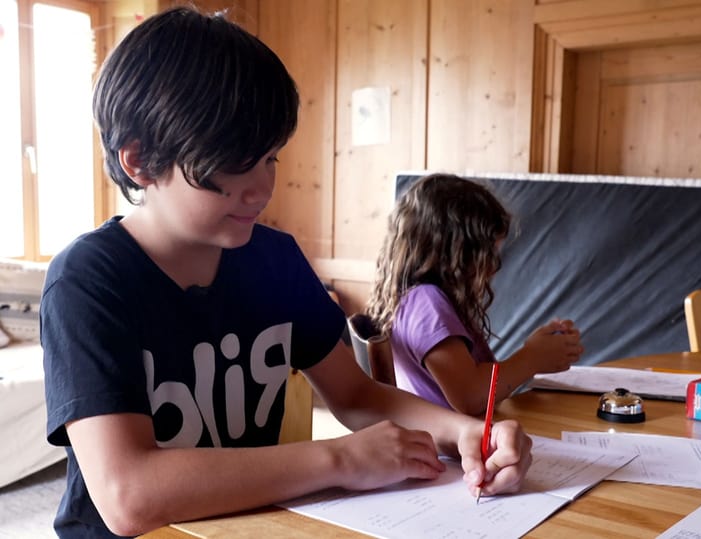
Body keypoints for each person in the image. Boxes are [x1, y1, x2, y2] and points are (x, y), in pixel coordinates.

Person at [40, 7, 531, 538]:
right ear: (139, 161)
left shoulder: (272, 259)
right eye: (231, 163)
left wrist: (469, 431)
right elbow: (128, 495)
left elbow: (357, 396)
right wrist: (339, 460)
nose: (261, 187)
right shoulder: (89, 281)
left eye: (271, 158)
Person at [366, 173, 584, 415]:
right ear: (454, 251)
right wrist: (532, 357)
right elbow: (471, 397)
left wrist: (535, 351)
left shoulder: (417, 299)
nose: (494, 266)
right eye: (488, 254)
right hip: (452, 451)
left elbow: (479, 386)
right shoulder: (427, 304)